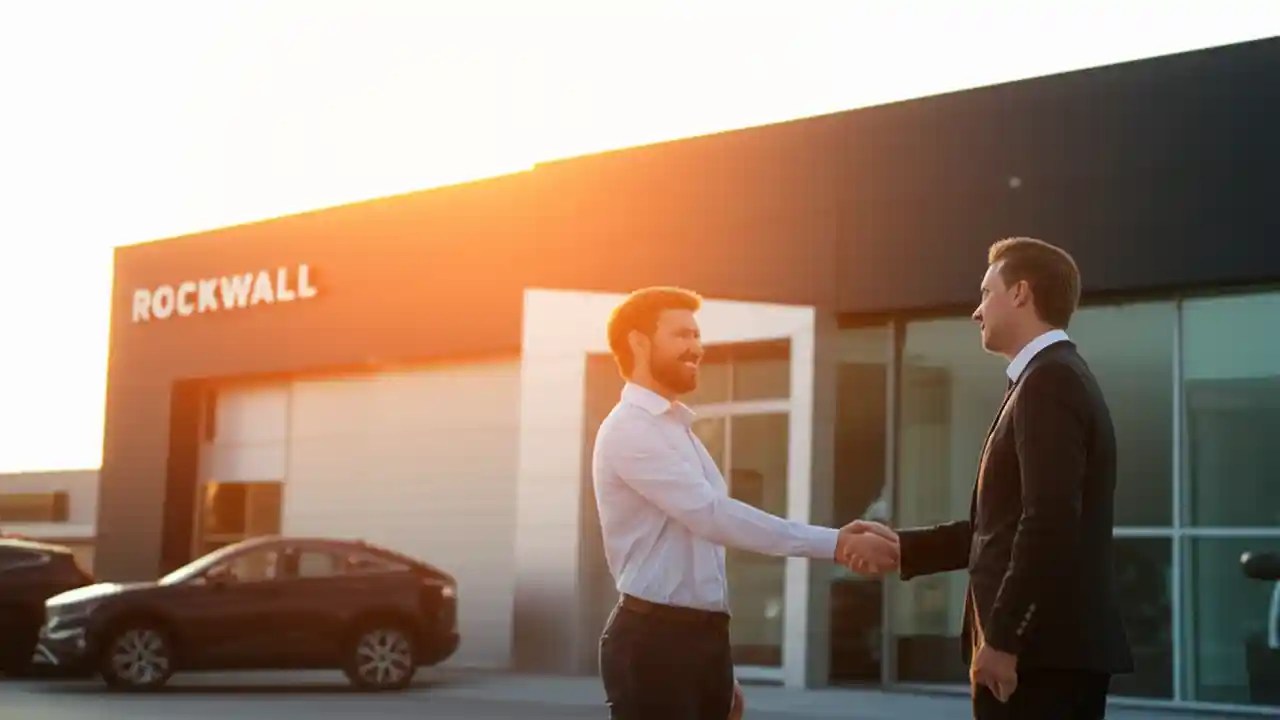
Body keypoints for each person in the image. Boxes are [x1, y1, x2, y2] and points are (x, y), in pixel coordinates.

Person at [852, 237, 1133, 719]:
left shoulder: (1050, 381)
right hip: (1040, 655)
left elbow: (1049, 521)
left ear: (1020, 293)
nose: (976, 311)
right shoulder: (1042, 379)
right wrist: (905, 548)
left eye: (986, 293)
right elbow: (1002, 526)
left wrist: (1004, 638)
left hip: (1039, 659)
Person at [592, 286, 898, 720]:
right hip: (654, 645)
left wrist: (717, 665)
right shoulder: (630, 429)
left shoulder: (676, 428)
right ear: (639, 343)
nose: (696, 347)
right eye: (681, 335)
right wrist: (836, 543)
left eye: (697, 335)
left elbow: (700, 551)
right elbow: (713, 517)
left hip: (700, 640)